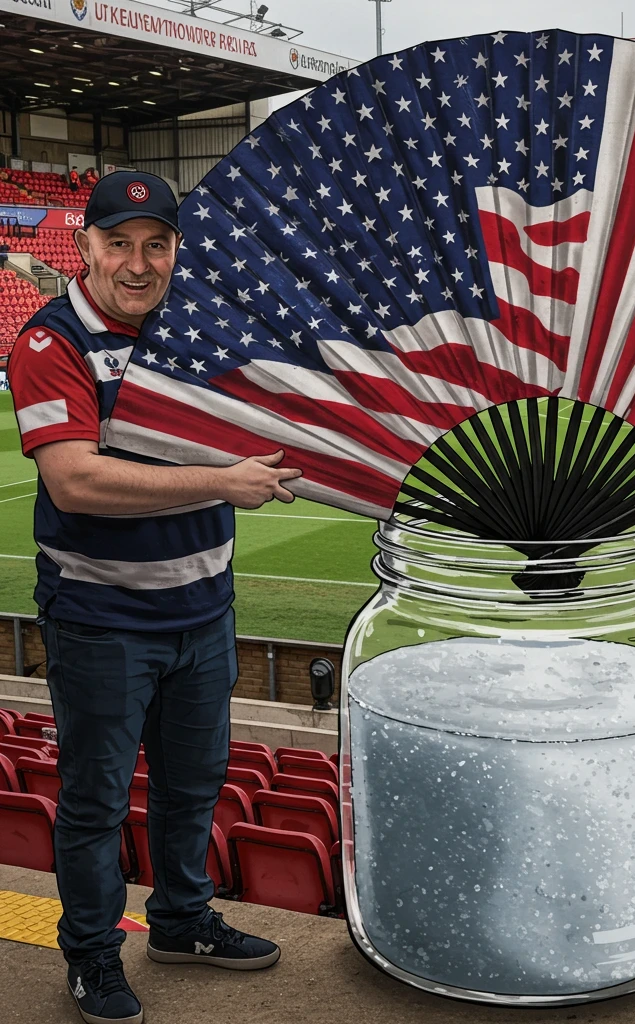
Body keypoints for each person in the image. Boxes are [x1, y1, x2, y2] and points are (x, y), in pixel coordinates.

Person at [7, 170, 302, 1024]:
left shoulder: (196, 329)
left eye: (157, 242)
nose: (138, 263)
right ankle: (93, 956)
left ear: (178, 248)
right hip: (104, 619)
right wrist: (224, 482)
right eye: (119, 242)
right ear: (87, 245)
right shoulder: (50, 339)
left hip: (203, 609)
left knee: (194, 784)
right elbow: (76, 483)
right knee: (96, 801)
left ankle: (180, 922)